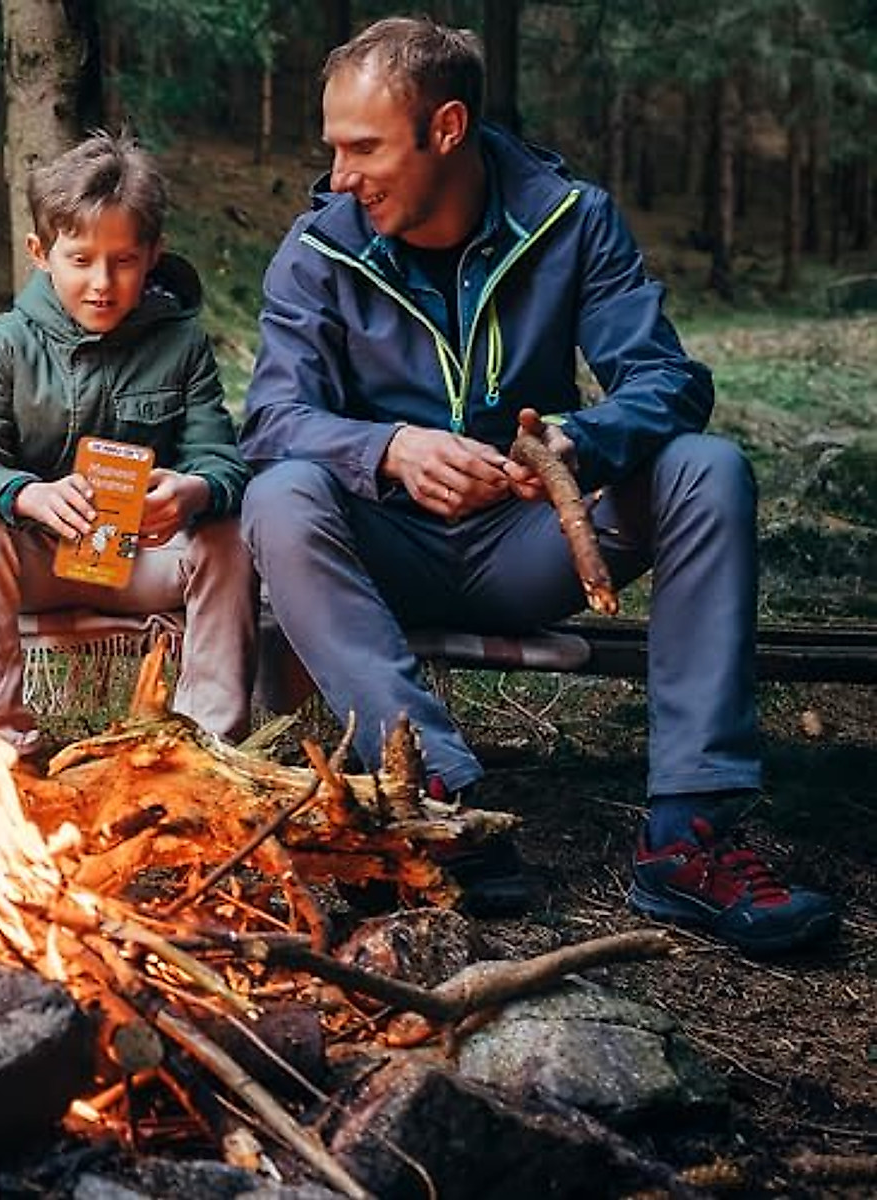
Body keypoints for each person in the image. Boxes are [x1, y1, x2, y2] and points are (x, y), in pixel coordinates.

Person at [239, 17, 838, 955]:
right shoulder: (319, 250)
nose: (341, 176)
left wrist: (575, 443)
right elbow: (271, 421)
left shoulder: (570, 219)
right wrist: (390, 448)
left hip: (534, 545)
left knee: (707, 471)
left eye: (364, 148)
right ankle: (438, 799)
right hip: (379, 552)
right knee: (278, 496)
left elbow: (670, 382)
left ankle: (690, 839)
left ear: (445, 129)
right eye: (334, 149)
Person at [0, 131, 257, 759]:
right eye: (80, 259)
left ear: (153, 253)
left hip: (144, 557)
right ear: (41, 252)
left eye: (124, 261)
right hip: (38, 560)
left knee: (227, 536)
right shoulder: (5, 343)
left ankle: (207, 750)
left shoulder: (181, 344)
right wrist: (27, 496)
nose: (102, 284)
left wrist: (192, 490)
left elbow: (223, 464)